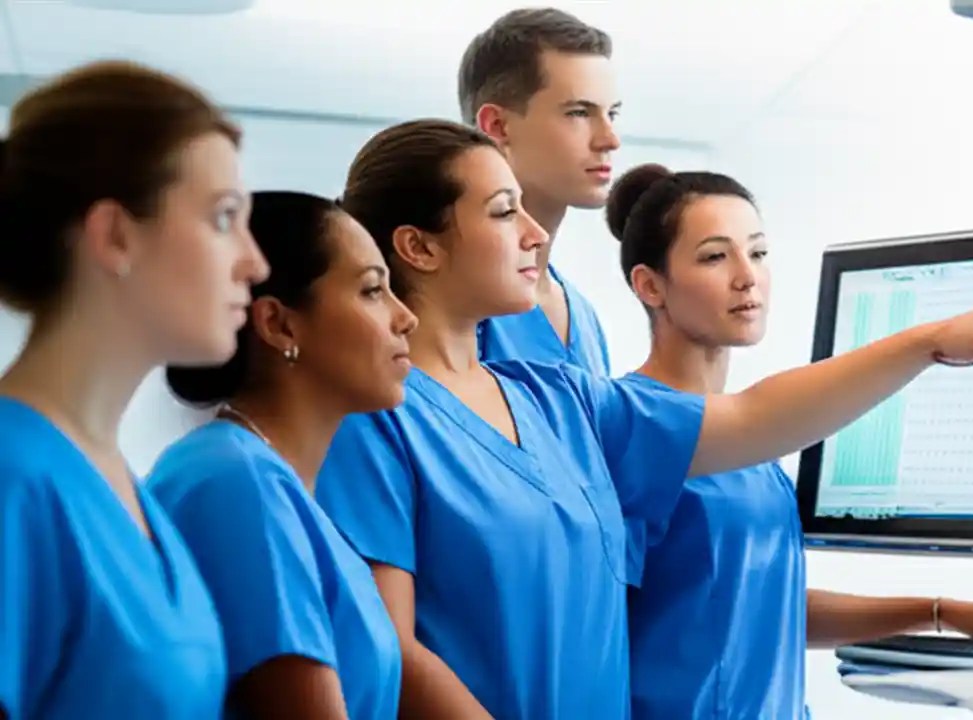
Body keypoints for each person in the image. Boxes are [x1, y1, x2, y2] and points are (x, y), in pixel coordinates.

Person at [315, 118, 973, 720]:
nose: (537, 233)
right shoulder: (375, 418)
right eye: (504, 210)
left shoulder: (560, 399)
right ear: (417, 247)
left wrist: (930, 344)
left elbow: (755, 416)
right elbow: (393, 650)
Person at [606, 163, 973, 719]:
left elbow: (769, 610)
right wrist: (933, 342)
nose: (747, 276)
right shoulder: (632, 423)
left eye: (758, 252)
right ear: (650, 285)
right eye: (714, 256)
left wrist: (940, 610)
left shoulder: (758, 455)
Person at [0, 60, 269, 719]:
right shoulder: (15, 482)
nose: (254, 263)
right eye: (223, 218)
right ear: (116, 234)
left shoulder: (118, 484)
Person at [148, 192, 417, 719]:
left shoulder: (276, 484)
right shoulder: (235, 481)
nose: (404, 317)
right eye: (371, 290)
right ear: (279, 324)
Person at [458, 7, 618, 374]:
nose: (610, 139)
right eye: (579, 112)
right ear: (497, 125)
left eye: (613, 114)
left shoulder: (582, 316)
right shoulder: (453, 304)